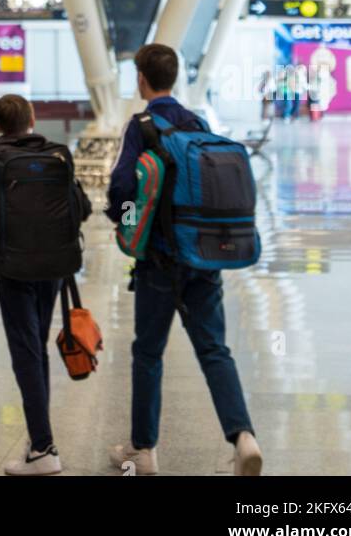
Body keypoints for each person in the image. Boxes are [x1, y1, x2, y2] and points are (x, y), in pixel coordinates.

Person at [106, 43, 262, 478]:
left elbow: (122, 189)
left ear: (141, 78)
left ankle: (144, 450)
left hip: (160, 260)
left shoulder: (141, 126)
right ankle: (243, 437)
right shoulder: (199, 123)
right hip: (205, 257)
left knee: (148, 353)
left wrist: (127, 227)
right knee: (214, 349)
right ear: (174, 78)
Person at [0, 92, 91, 477]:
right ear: (31, 118)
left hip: (13, 268)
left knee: (26, 350)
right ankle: (39, 440)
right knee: (36, 348)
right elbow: (81, 208)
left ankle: (45, 448)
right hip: (54, 266)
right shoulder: (59, 155)